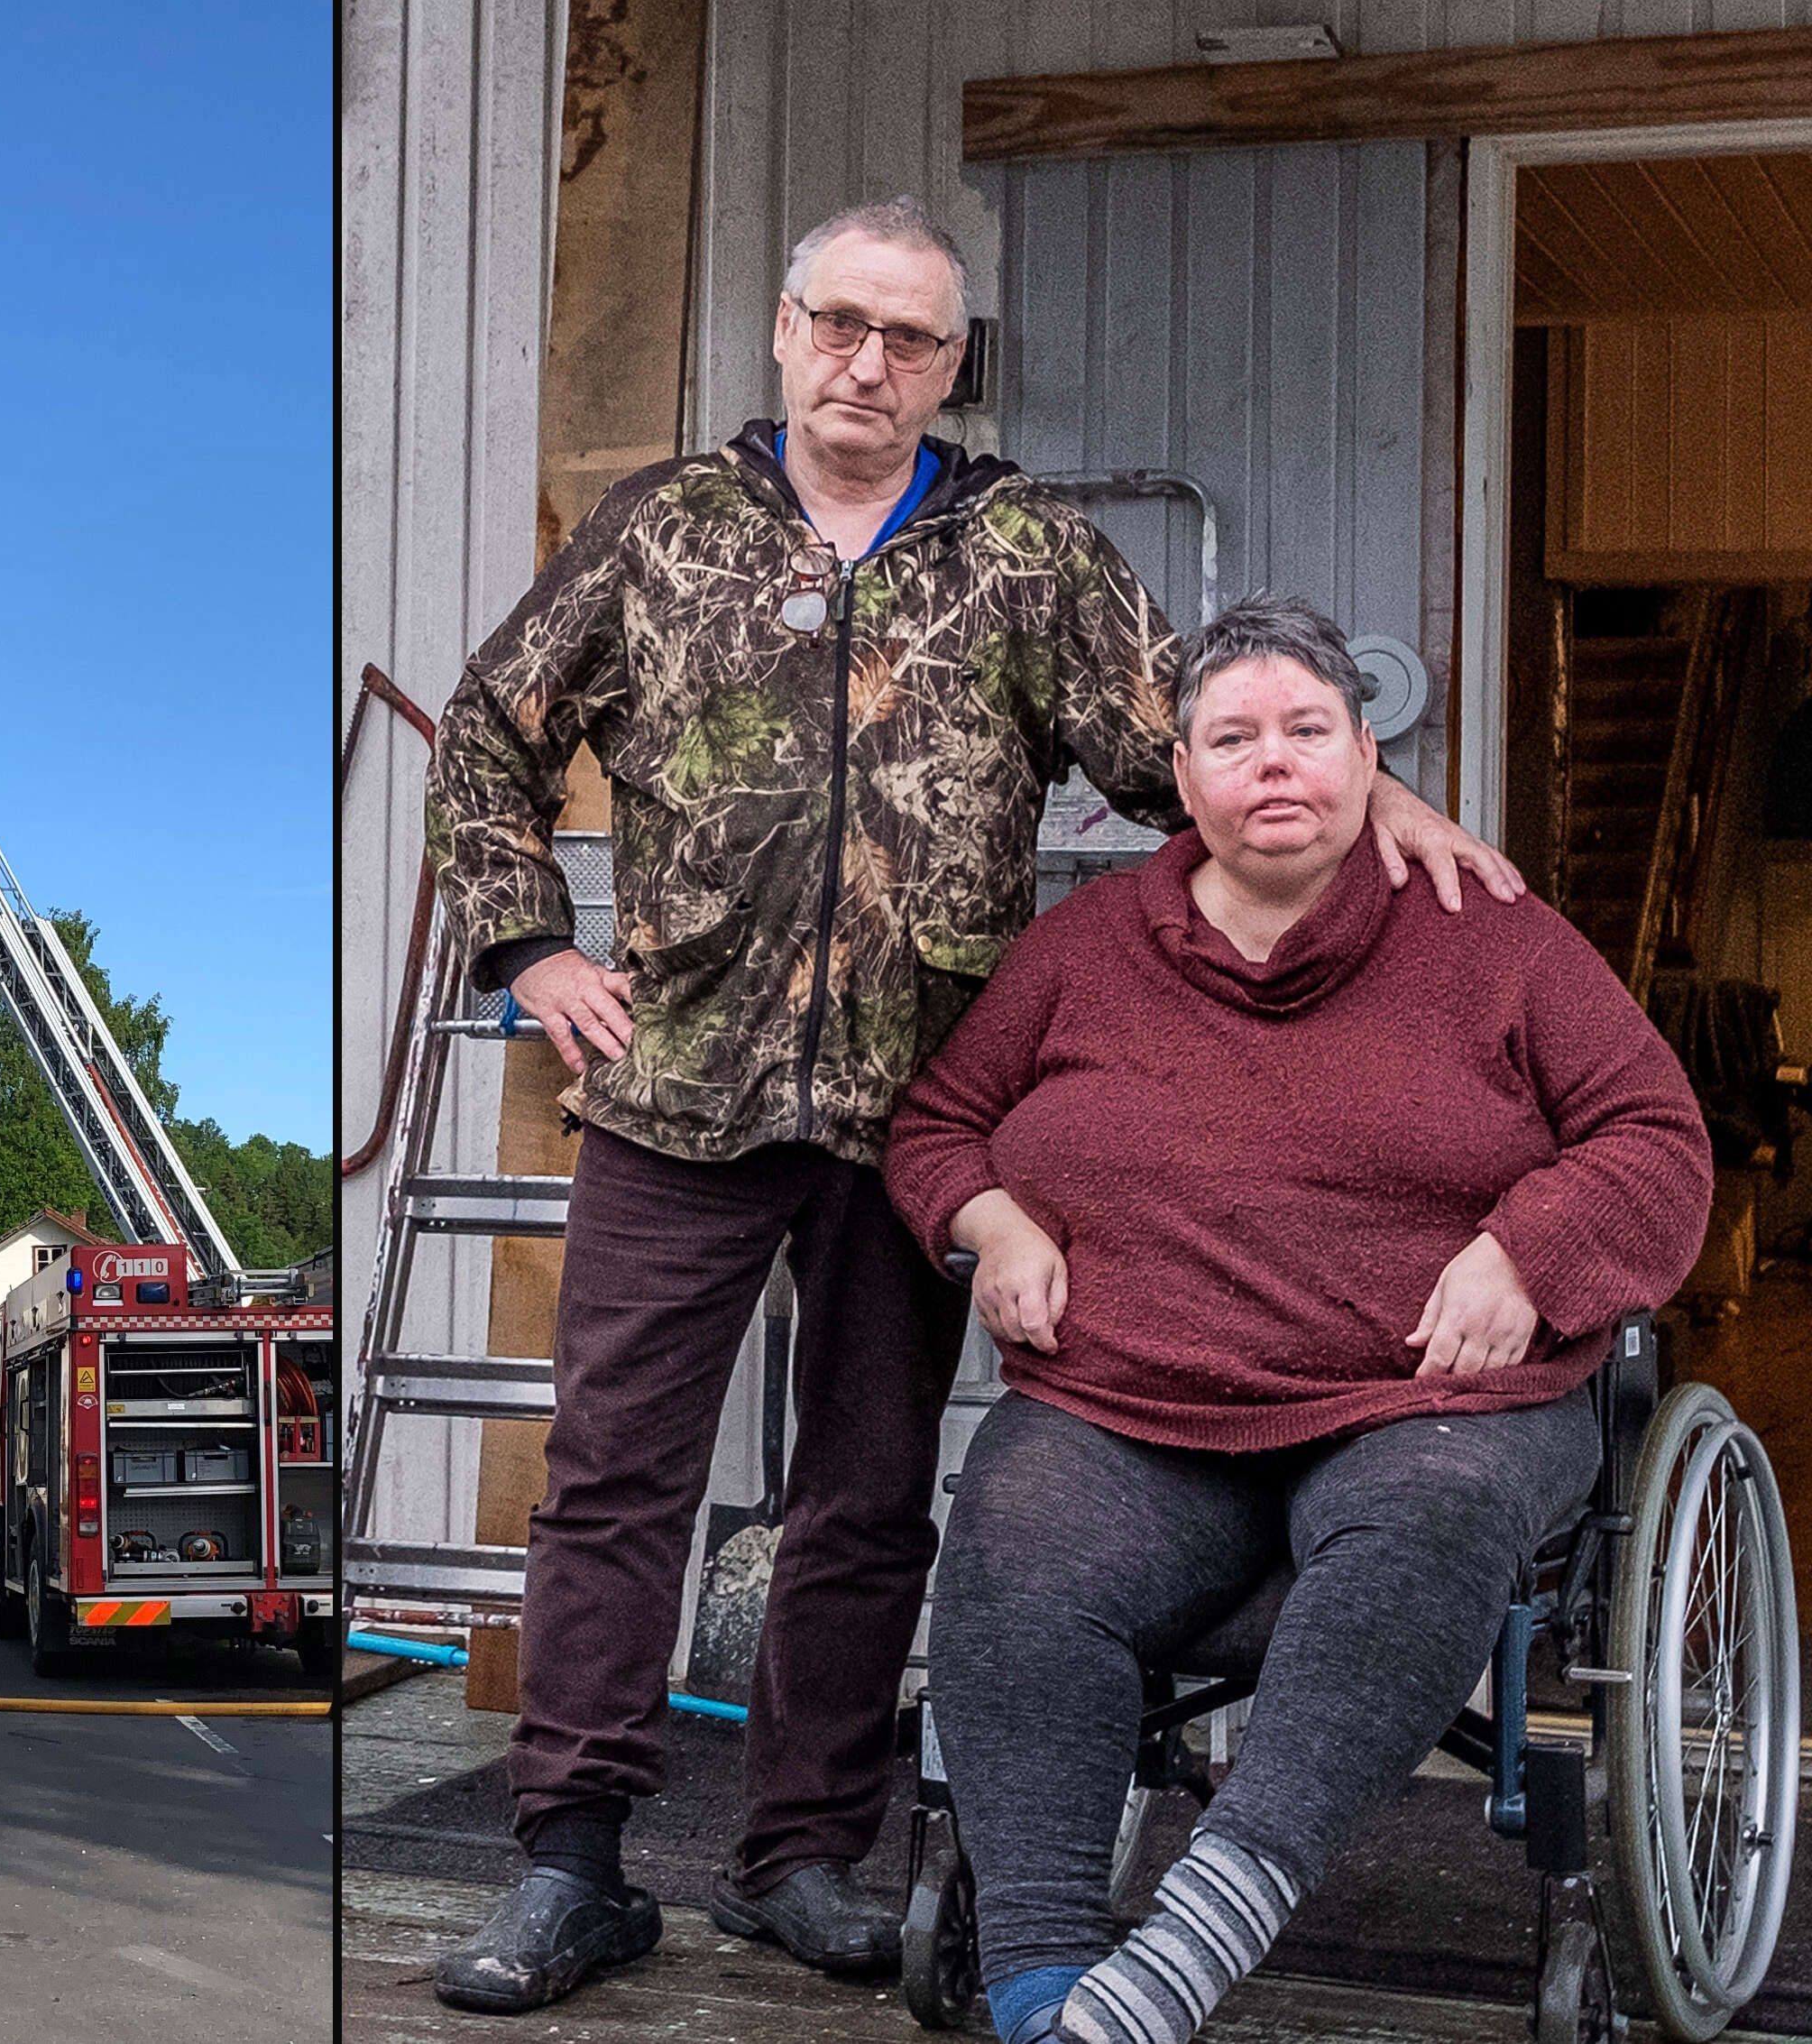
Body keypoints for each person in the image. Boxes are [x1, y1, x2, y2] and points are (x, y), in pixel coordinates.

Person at [417, 193, 1518, 2014]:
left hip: (921, 1107)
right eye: (840, 325)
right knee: (617, 1479)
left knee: (864, 1495)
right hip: (671, 1091)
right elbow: (487, 733)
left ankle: (799, 1856)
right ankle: (575, 1860)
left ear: (953, 361)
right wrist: (530, 947)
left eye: (911, 339)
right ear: (782, 330)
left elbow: (1195, 748)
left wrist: (1355, 790)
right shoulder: (661, 533)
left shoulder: (1023, 551)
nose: (869, 365)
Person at [880, 595, 1712, 2044]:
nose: (1275, 764)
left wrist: (1529, 1249)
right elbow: (939, 1122)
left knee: (1427, 1519)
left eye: (1308, 731)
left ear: (1365, 754)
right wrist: (992, 1215)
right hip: (1135, 1401)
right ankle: (1042, 1981)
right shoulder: (1084, 948)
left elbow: (1655, 1135)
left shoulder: (1493, 936)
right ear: (1182, 779)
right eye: (1235, 738)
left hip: (1430, 1397)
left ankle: (1189, 1945)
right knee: (1014, 1557)